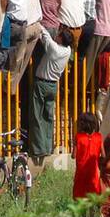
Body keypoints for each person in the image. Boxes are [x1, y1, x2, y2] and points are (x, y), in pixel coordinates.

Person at [29, 27, 73, 162]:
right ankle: (48, 147)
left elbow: (45, 35)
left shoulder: (54, 48)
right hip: (53, 85)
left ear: (60, 38)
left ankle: (39, 149)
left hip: (42, 83)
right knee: (48, 117)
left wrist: (39, 23)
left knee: (37, 116)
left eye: (59, 35)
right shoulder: (68, 51)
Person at [72, 111, 103, 202]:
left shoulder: (78, 137)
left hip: (81, 171)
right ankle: (92, 211)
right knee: (93, 193)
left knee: (80, 194)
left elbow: (73, 155)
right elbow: (103, 155)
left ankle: (82, 211)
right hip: (93, 171)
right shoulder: (99, 137)